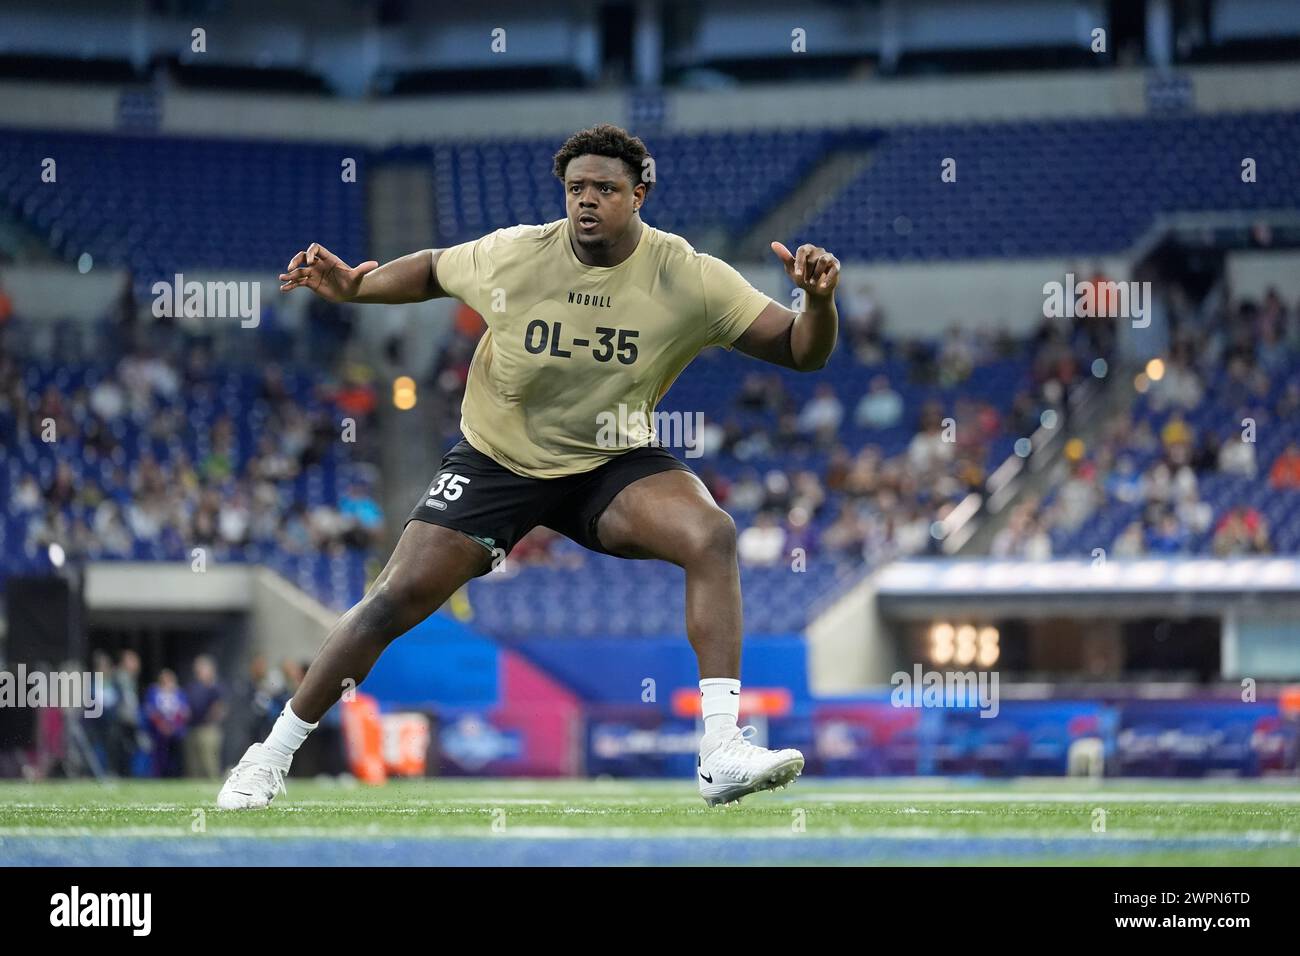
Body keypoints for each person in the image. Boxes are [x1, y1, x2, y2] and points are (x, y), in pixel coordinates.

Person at [220, 124, 837, 809]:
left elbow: (800, 352)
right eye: (576, 188)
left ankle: (720, 749)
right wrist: (357, 289)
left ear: (641, 193)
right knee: (394, 600)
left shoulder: (687, 275)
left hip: (610, 458)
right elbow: (430, 268)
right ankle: (266, 757)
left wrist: (816, 302)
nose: (587, 201)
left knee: (711, 533)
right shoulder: (513, 254)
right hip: (497, 459)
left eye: (605, 188)